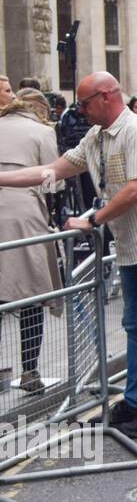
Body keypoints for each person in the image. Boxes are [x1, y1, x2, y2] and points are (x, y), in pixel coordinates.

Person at [0, 72, 137, 437]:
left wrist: (92, 220)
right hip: (132, 246)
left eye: (85, 102)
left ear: (106, 96)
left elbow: (136, 190)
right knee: (136, 325)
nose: (80, 110)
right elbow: (52, 172)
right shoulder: (96, 137)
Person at [0, 90, 62, 392]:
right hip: (25, 215)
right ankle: (30, 372)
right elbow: (54, 181)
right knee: (32, 295)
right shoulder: (41, 131)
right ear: (41, 111)